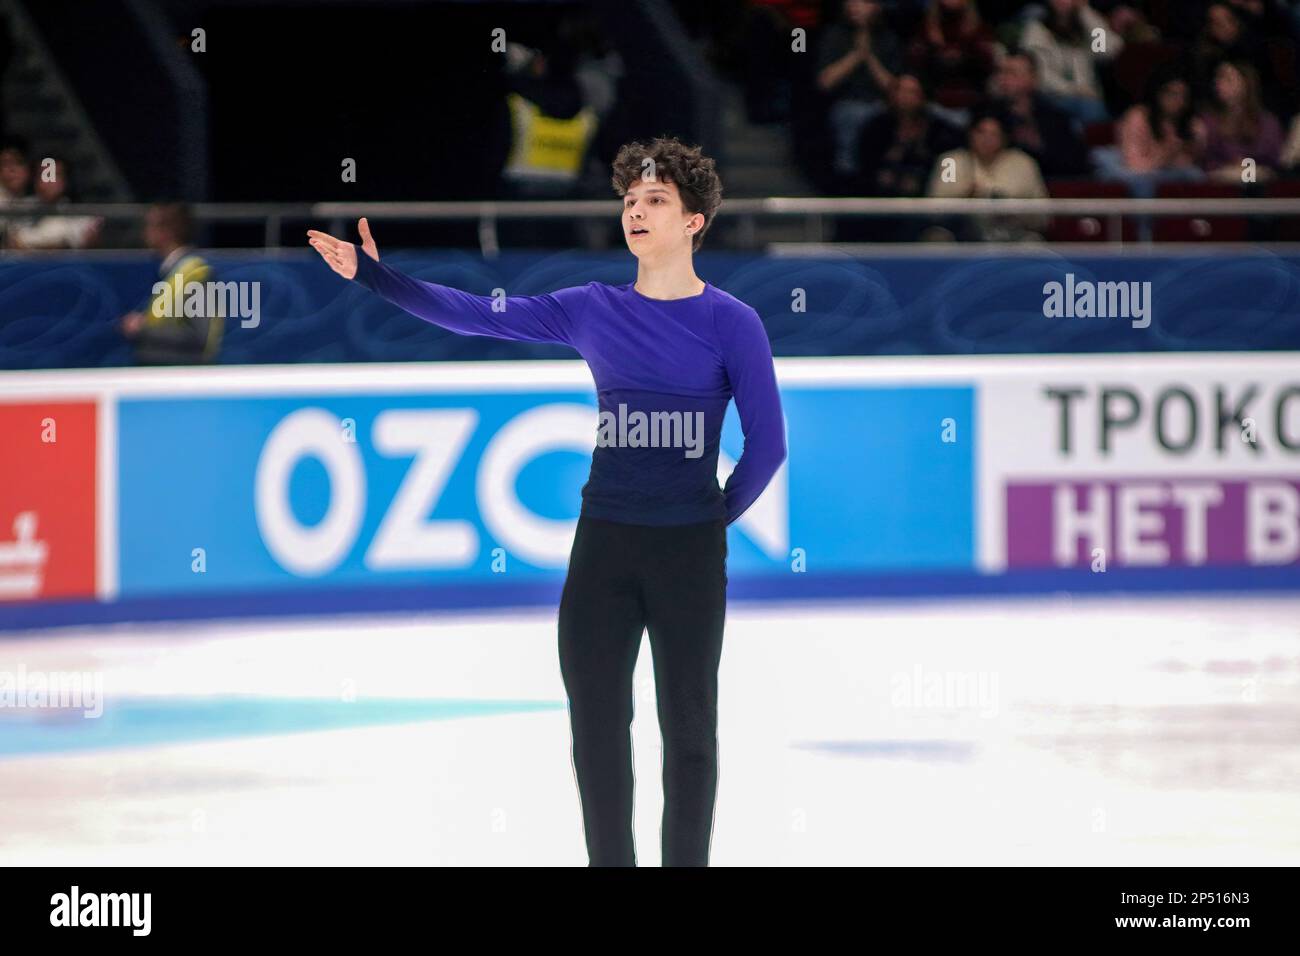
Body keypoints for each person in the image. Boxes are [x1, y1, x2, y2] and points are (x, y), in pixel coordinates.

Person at [307, 136, 788, 867]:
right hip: (604, 548)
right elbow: (479, 315)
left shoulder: (731, 322)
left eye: (655, 200)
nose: (636, 211)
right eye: (629, 200)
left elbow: (768, 444)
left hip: (689, 551)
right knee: (597, 726)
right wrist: (379, 279)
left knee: (689, 731)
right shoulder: (593, 309)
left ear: (694, 221)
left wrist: (710, 522)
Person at [118, 202, 224, 365]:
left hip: (183, 379)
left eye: (149, 226)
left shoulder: (195, 274)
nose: (144, 233)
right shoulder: (171, 271)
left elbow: (199, 337)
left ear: (167, 232)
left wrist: (143, 328)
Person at [926, 109, 1049, 241]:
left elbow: (1043, 216)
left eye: (994, 134)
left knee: (1033, 243)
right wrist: (965, 198)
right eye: (981, 132)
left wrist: (1014, 211)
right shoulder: (951, 162)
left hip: (1012, 235)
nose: (987, 139)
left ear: (1004, 137)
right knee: (937, 237)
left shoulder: (1024, 163)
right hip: (961, 234)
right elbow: (934, 210)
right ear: (971, 134)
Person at [816, 0, 903, 177]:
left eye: (862, 2)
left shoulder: (888, 38)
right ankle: (847, 175)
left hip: (882, 105)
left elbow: (893, 87)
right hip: (846, 103)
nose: (854, 6)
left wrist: (869, 56)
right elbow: (825, 82)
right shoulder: (834, 35)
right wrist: (856, 55)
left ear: (877, 7)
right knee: (853, 114)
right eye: (851, 2)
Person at [986, 50, 1089, 177]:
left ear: (1033, 79)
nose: (1002, 78)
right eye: (1000, 72)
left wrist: (1038, 146)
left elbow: (1076, 165)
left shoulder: (1056, 118)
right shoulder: (985, 115)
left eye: (1011, 73)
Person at [1019, 0, 1123, 126]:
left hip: (1088, 97)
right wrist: (1075, 90)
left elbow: (1107, 51)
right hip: (1051, 96)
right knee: (1091, 108)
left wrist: (1086, 12)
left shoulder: (1086, 30)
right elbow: (1040, 76)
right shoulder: (1036, 30)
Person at [1199, 60, 1283, 181]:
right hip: (1219, 179)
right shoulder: (1208, 120)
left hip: (1257, 178)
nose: (1218, 83)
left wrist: (1244, 163)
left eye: (1227, 79)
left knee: (1251, 176)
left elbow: (1273, 158)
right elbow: (1206, 160)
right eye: (1218, 78)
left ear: (1246, 84)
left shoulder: (1266, 121)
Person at [3, 157, 101, 249]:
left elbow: (69, 249)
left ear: (65, 180)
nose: (48, 182)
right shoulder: (19, 207)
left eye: (55, 175)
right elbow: (13, 242)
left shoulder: (81, 214)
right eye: (43, 175)